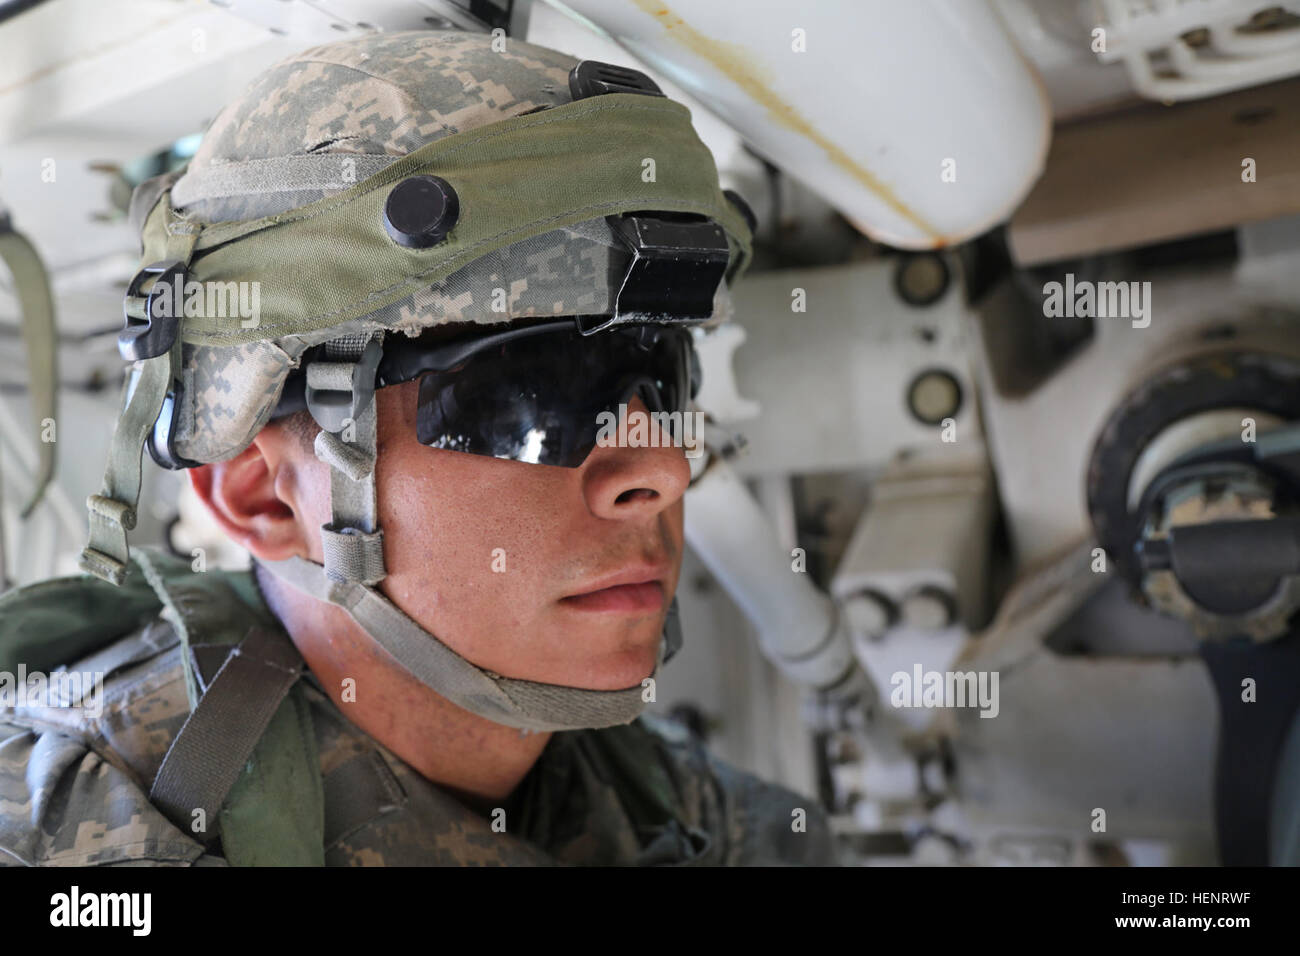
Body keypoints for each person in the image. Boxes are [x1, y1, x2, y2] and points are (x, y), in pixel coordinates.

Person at [0, 29, 837, 866]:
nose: (659, 468)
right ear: (263, 496)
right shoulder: (82, 840)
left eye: (663, 376)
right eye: (529, 396)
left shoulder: (688, 818)